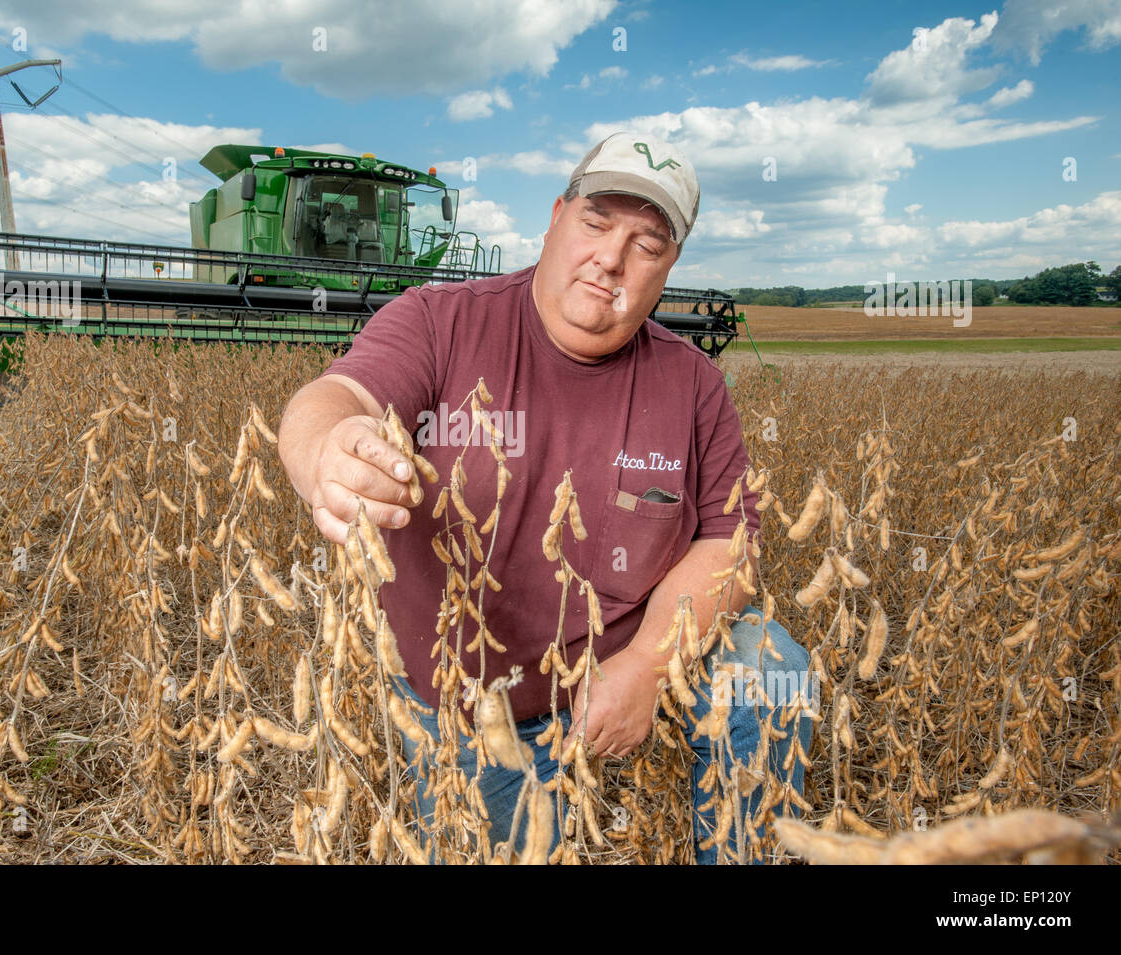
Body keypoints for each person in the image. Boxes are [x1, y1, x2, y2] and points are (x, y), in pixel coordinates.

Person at [277, 131, 814, 864]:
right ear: (556, 217)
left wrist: (647, 669)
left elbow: (729, 542)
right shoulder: (441, 320)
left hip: (618, 666)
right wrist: (325, 452)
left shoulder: (692, 383)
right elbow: (335, 397)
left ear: (669, 266)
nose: (612, 258)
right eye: (595, 224)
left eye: (646, 244)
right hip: (474, 705)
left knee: (771, 671)